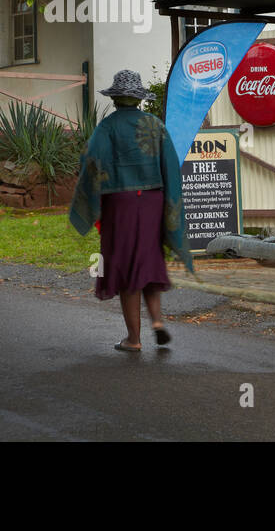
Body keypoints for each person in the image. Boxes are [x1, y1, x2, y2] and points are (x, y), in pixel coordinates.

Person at [69, 70, 192, 353]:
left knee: (125, 267)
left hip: (120, 204)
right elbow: (171, 166)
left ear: (115, 99)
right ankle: (158, 323)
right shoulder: (155, 125)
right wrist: (168, 201)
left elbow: (91, 161)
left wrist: (90, 198)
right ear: (139, 99)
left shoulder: (108, 127)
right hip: (152, 202)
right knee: (148, 261)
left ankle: (134, 339)